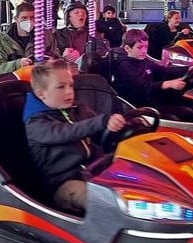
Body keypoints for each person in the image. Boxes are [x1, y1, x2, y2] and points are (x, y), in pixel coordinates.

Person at [24, 59, 125, 213]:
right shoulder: (36, 123)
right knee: (107, 204)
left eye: (71, 85)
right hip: (63, 184)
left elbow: (98, 127)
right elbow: (67, 132)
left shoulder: (76, 108)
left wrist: (118, 126)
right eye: (61, 87)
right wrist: (102, 121)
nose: (69, 91)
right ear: (41, 94)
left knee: (132, 188)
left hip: (92, 170)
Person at [112, 29, 193, 122]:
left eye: (146, 47)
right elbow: (143, 87)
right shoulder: (125, 66)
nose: (144, 51)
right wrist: (169, 84)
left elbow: (164, 70)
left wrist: (188, 69)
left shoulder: (143, 60)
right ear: (128, 48)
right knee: (185, 113)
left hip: (153, 98)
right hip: (140, 104)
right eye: (140, 47)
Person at [0, 2, 56, 76]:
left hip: (39, 79)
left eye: (32, 17)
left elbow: (56, 57)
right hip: (13, 81)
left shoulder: (46, 35)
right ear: (16, 19)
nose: (29, 21)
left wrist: (50, 61)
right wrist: (18, 64)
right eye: (24, 18)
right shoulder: (2, 41)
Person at [54, 3, 107, 72]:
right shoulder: (59, 34)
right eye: (77, 13)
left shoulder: (93, 34)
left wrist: (85, 58)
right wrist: (63, 57)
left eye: (84, 13)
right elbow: (54, 53)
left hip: (88, 70)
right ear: (69, 17)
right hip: (66, 69)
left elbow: (101, 52)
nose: (81, 14)